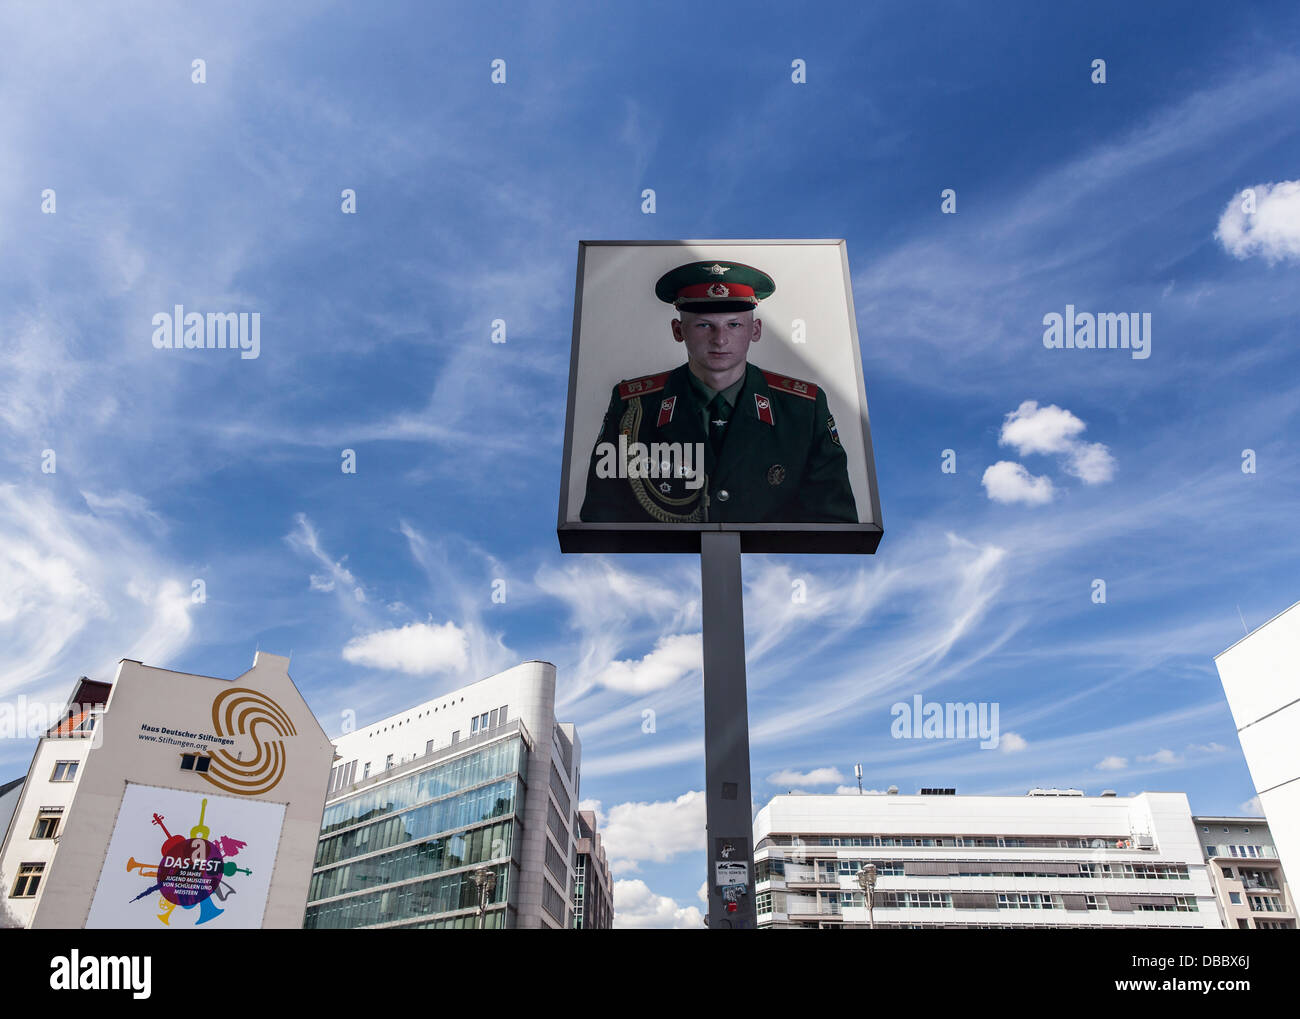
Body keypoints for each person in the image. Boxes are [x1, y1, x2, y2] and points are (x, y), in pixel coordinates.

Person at [579, 259, 857, 524]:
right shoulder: (634, 407)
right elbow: (601, 517)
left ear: (755, 330)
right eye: (704, 325)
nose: (720, 339)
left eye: (734, 324)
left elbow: (834, 524)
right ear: (679, 330)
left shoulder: (803, 409)